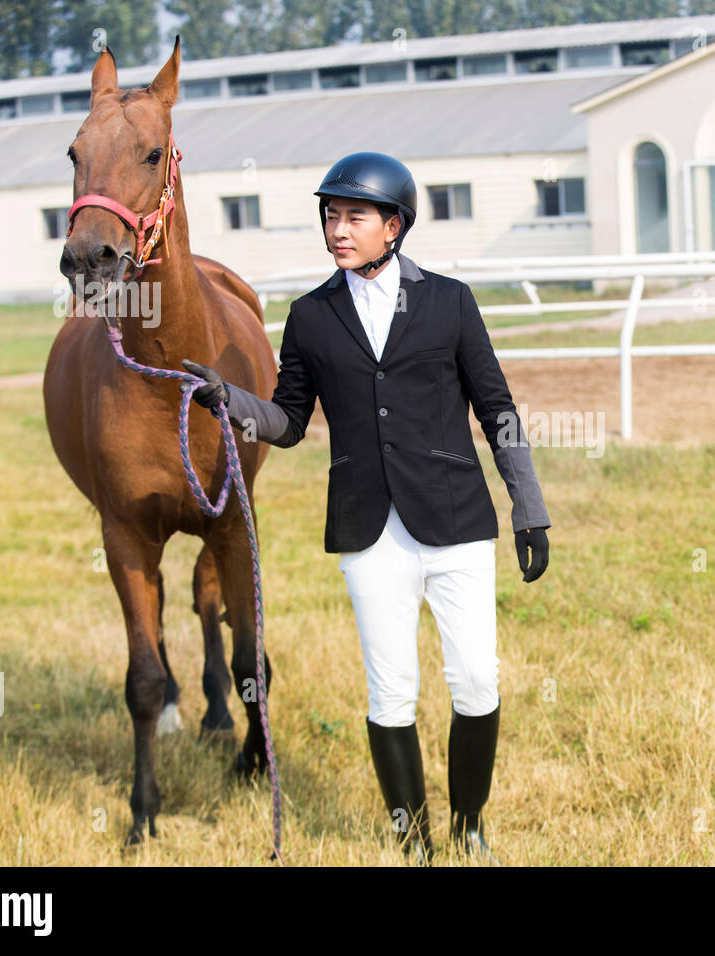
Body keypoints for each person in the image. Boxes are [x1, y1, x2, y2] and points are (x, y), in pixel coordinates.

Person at [181, 152, 550, 866]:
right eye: (330, 214)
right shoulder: (311, 317)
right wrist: (234, 404)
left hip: (457, 522)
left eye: (353, 216)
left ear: (394, 225)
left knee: (475, 679)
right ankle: (411, 842)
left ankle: (469, 827)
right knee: (392, 692)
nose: (337, 228)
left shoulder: (450, 302)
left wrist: (527, 506)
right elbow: (288, 421)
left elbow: (498, 409)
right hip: (367, 529)